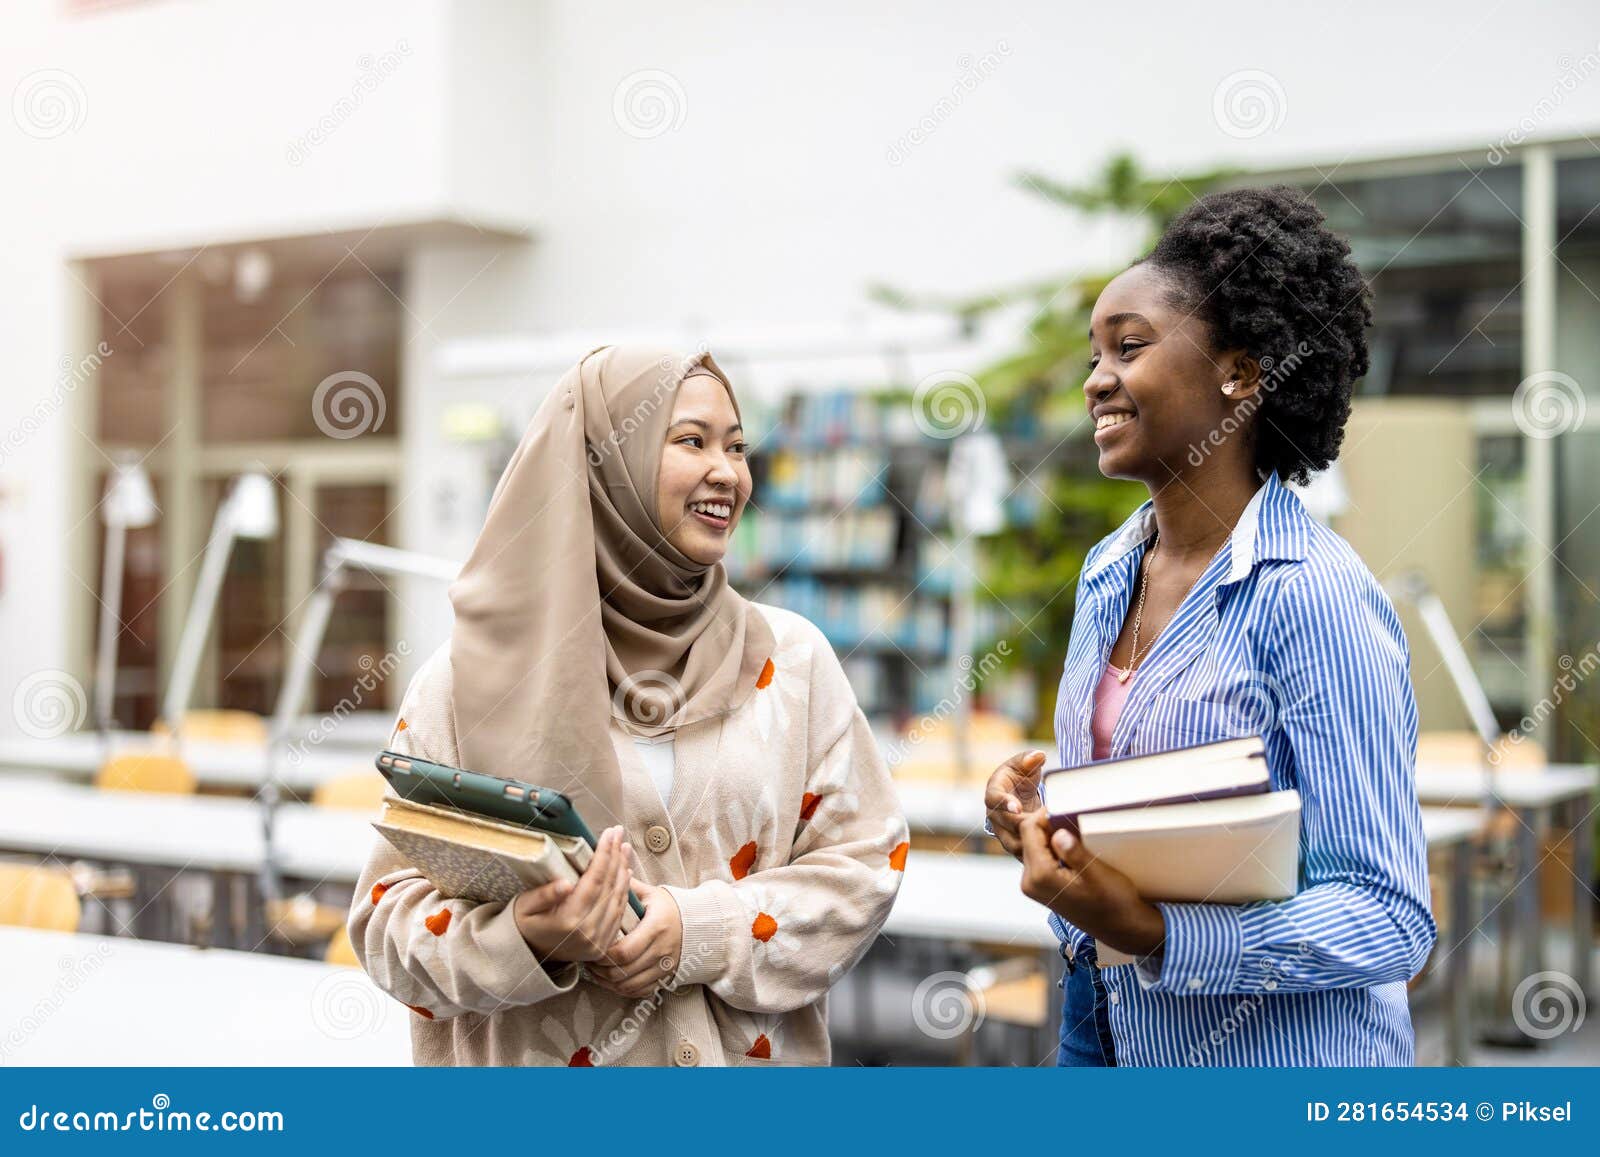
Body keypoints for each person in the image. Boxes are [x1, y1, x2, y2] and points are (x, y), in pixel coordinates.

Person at [351, 345, 908, 1066]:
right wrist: (525, 935)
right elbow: (386, 927)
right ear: (602, 463)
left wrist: (698, 930)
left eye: (738, 447)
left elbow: (865, 868)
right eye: (691, 440)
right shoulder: (465, 683)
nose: (727, 471)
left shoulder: (792, 661)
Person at [984, 186, 1436, 1066]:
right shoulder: (1111, 568)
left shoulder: (1314, 597)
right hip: (1101, 1017)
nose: (1096, 379)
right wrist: (1045, 816)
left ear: (1241, 372)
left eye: (1129, 346)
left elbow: (1390, 915)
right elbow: (1142, 812)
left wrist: (1161, 933)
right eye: (1093, 354)